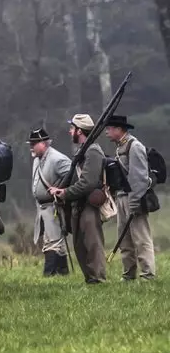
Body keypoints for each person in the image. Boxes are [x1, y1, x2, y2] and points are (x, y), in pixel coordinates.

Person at [48, 114, 108, 284]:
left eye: (72, 128)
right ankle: (90, 278)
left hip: (89, 204)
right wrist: (61, 190)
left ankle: (98, 278)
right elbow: (77, 179)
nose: (70, 131)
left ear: (79, 131)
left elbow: (88, 183)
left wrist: (65, 193)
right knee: (80, 245)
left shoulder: (93, 151)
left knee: (93, 243)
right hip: (78, 204)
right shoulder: (83, 150)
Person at [105, 115, 156, 281]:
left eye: (110, 128)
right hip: (122, 197)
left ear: (119, 130)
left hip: (134, 198)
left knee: (141, 239)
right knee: (125, 240)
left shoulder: (134, 146)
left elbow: (139, 178)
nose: (107, 132)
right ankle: (128, 274)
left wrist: (134, 203)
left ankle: (147, 275)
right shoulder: (121, 146)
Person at [29, 127, 71, 277]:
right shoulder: (36, 160)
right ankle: (63, 271)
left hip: (54, 205)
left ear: (44, 143)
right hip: (42, 206)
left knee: (52, 241)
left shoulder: (58, 159)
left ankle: (49, 274)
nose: (31, 146)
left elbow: (72, 177)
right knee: (52, 240)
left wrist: (60, 190)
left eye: (34, 143)